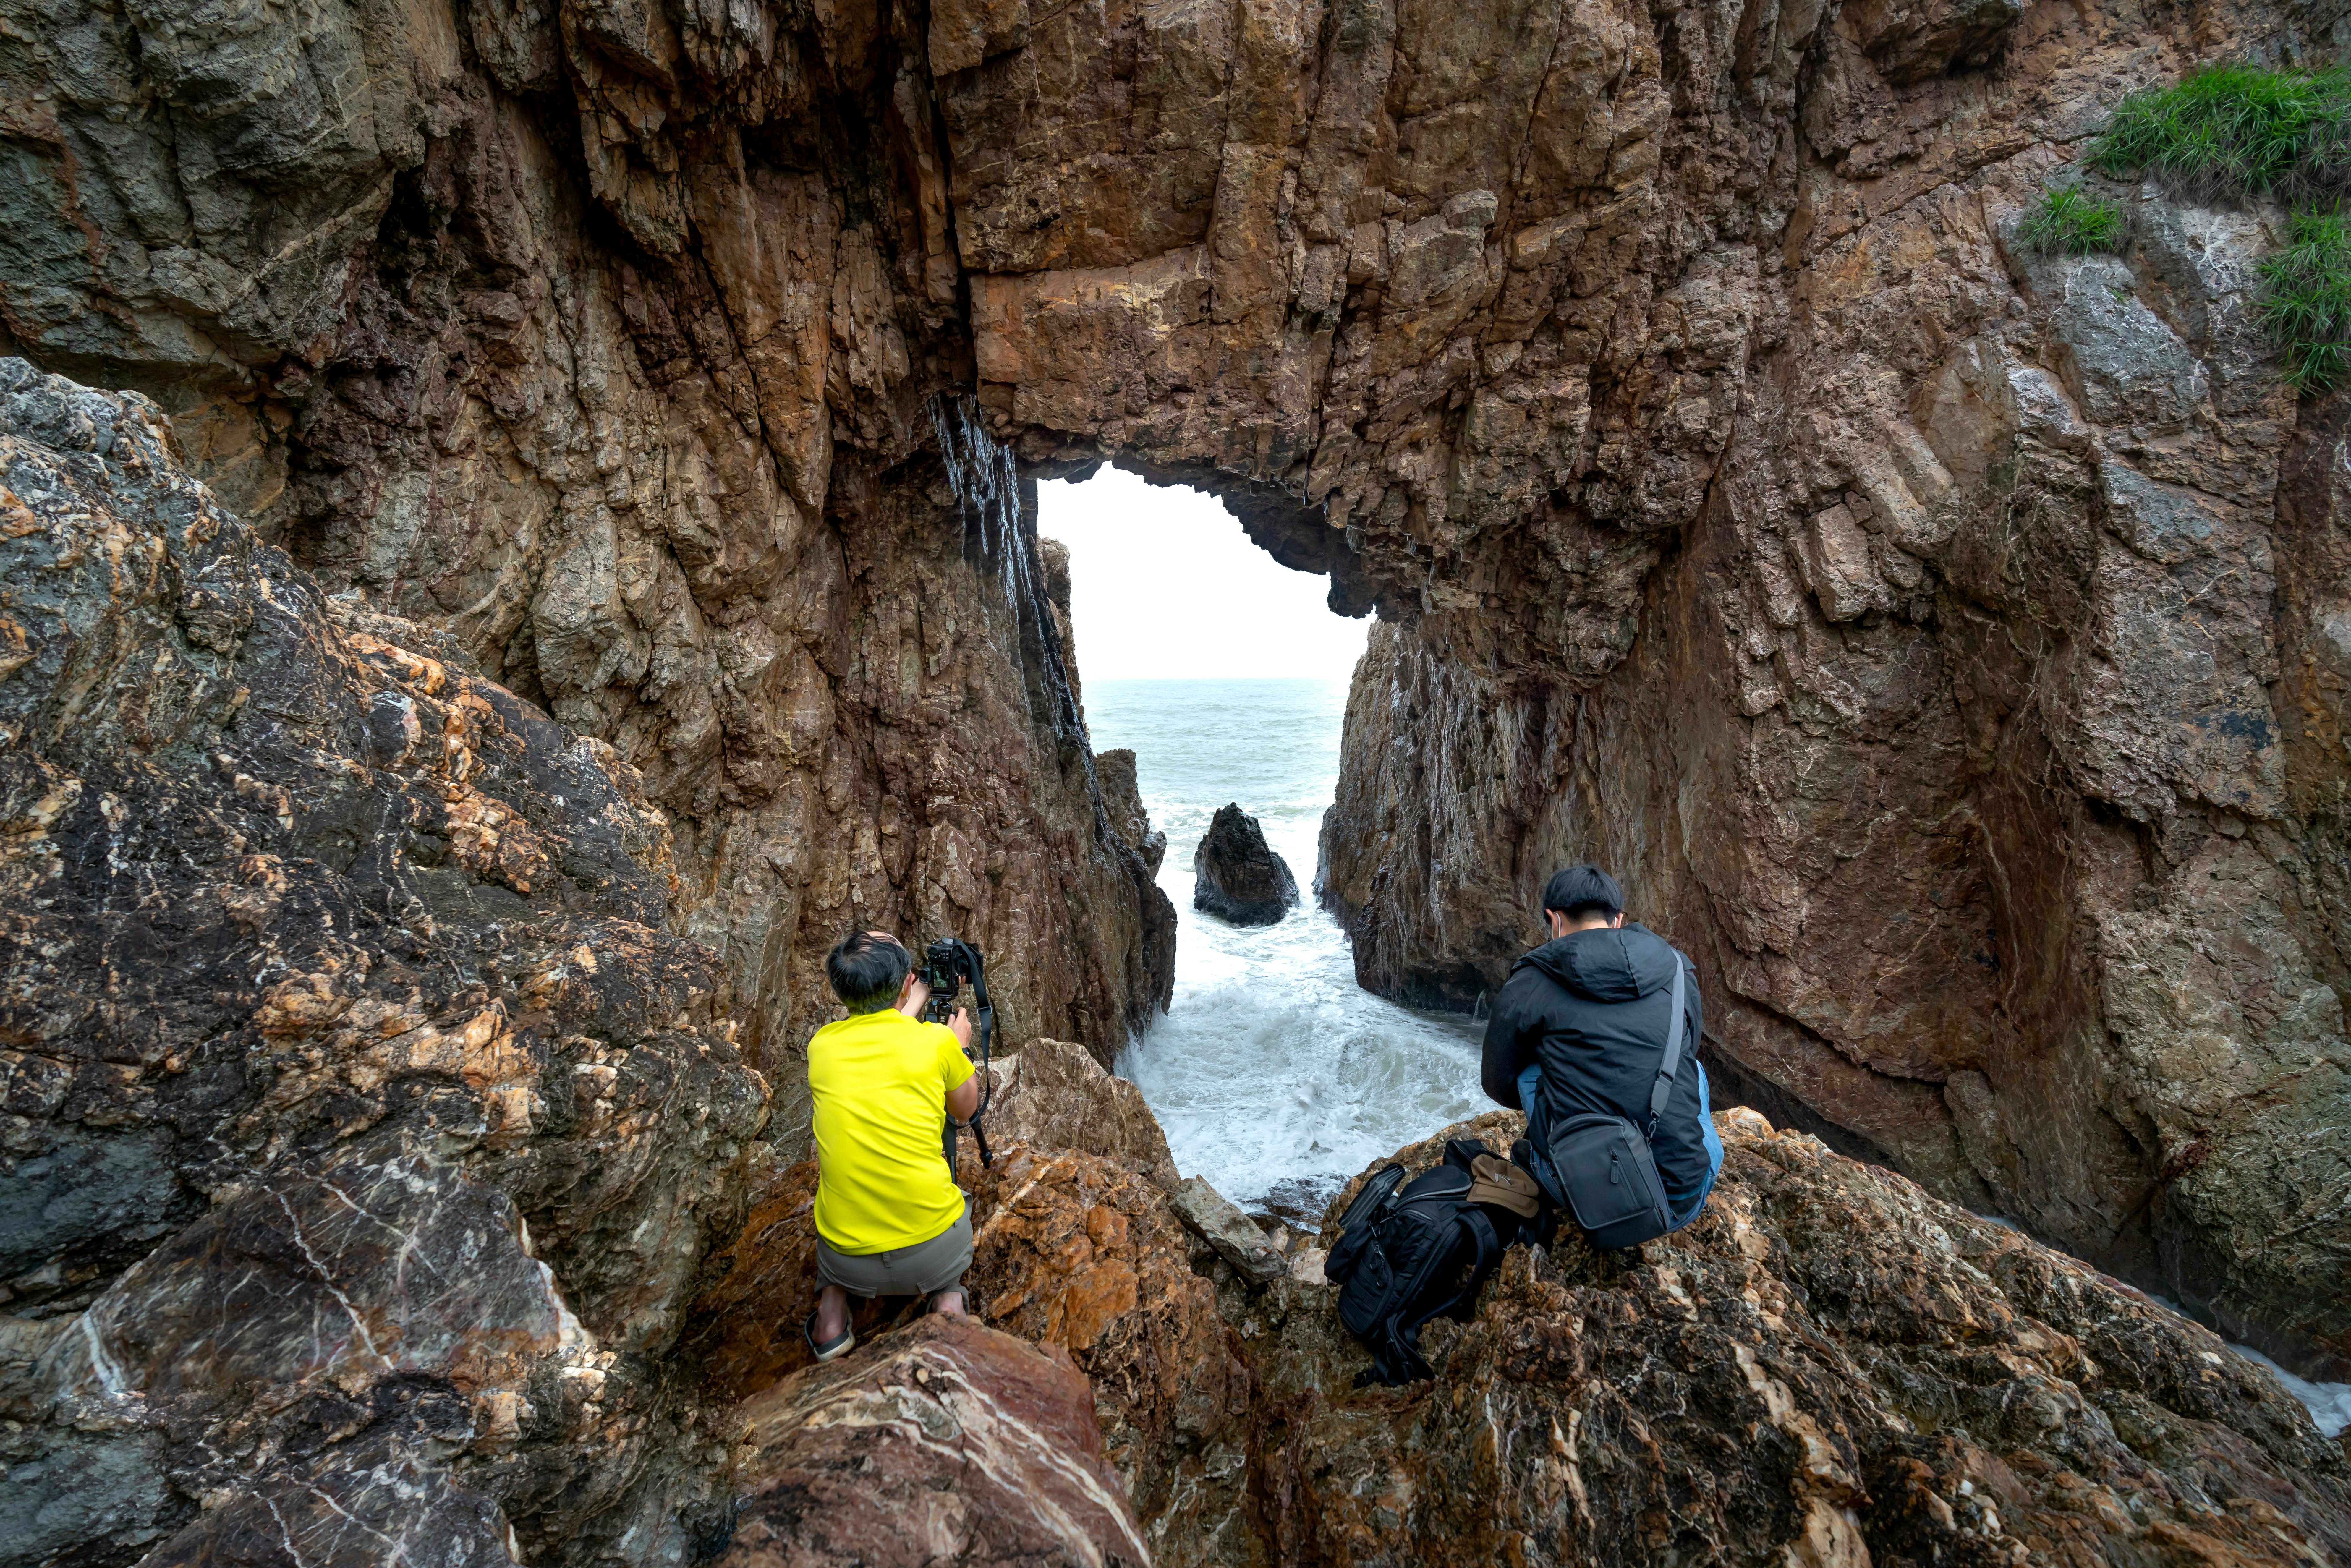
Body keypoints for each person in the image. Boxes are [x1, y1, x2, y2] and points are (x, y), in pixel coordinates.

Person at [1480, 864, 1723, 1234]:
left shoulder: (1531, 980)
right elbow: (1689, 1042)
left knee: (1531, 1070)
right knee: (1689, 1067)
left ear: (1554, 919)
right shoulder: (1677, 968)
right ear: (1618, 920)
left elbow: (1497, 1084)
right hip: (1685, 1197)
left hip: (1587, 1200)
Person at [802, 928, 982, 1362]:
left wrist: (912, 997)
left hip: (848, 1260)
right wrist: (959, 1049)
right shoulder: (937, 1044)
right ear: (904, 984)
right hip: (932, 1257)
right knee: (957, 1209)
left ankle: (831, 1315)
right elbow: (964, 1109)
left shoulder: (822, 1048)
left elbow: (880, 1037)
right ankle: (948, 1302)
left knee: (829, 1215)